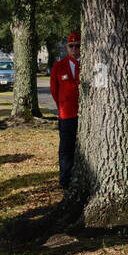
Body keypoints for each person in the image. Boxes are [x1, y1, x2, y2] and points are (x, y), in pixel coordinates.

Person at [49, 31, 81, 189]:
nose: (74, 49)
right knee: (66, 150)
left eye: (78, 46)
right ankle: (65, 181)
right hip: (67, 115)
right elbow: (54, 91)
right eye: (71, 46)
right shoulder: (58, 66)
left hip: (85, 116)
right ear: (67, 47)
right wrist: (62, 106)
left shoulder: (88, 65)